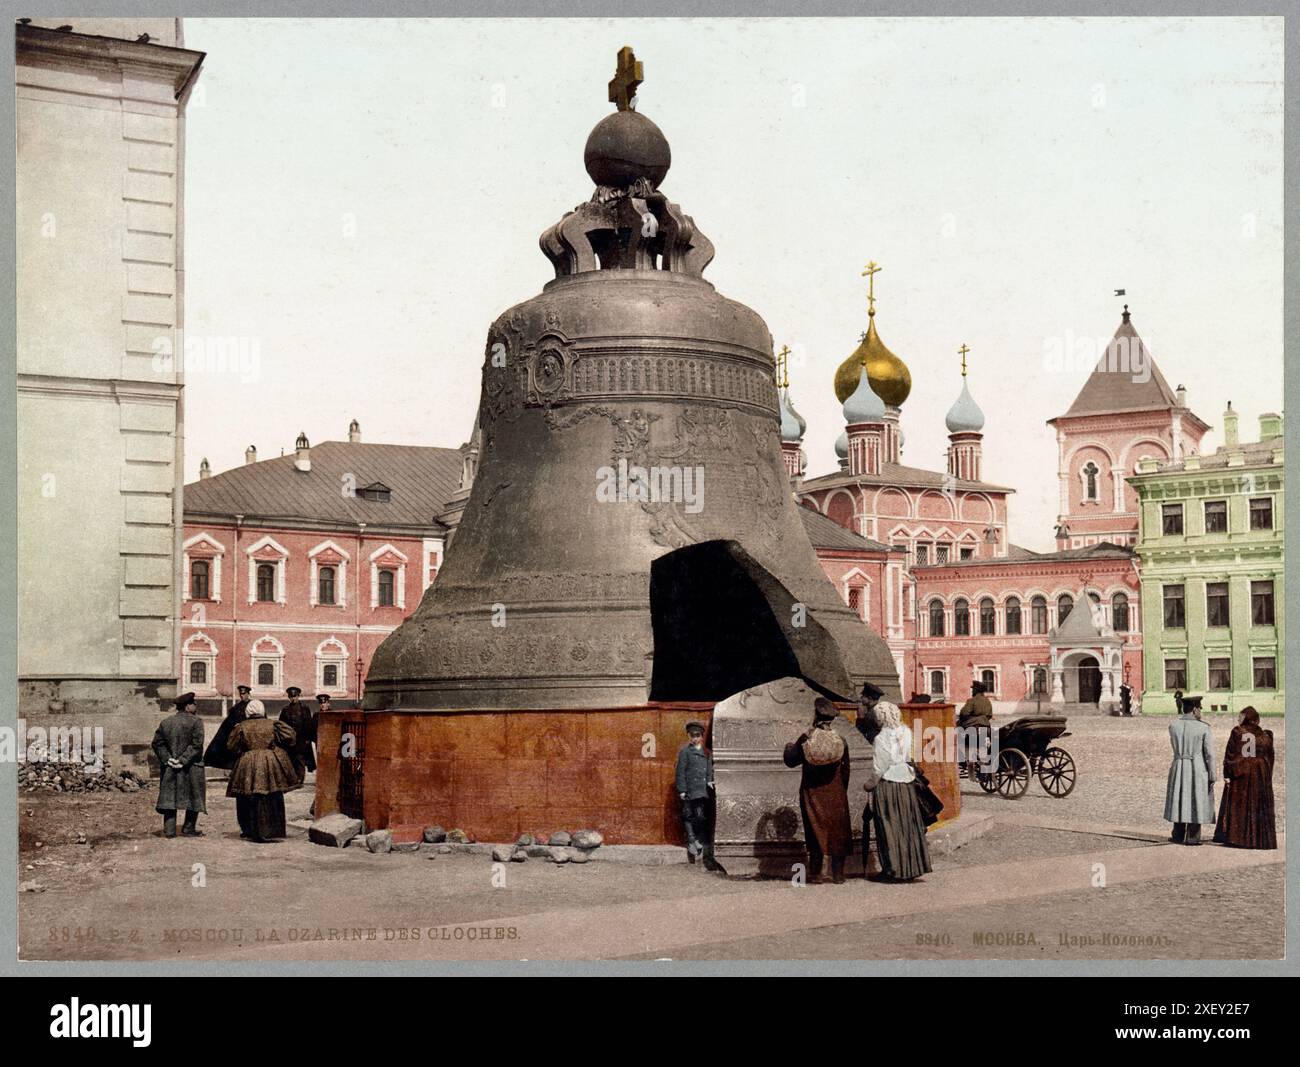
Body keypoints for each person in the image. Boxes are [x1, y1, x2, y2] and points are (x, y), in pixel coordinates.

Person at [783, 697, 852, 884]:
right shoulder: (841, 740)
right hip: (836, 792)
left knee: (814, 829)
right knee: (837, 831)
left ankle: (815, 874)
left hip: (812, 792)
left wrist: (788, 747)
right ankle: (838, 875)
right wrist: (841, 790)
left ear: (815, 715)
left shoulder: (807, 738)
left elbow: (790, 760)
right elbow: (846, 771)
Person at [866, 700, 932, 881]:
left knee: (889, 826)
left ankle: (892, 870)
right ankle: (911, 867)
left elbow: (880, 767)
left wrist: (869, 785)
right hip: (906, 782)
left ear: (881, 717)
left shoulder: (881, 738)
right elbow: (910, 756)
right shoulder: (906, 731)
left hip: (888, 784)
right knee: (907, 826)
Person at [225, 699, 302, 842]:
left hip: (248, 762)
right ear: (262, 710)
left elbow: (231, 746)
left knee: (246, 795)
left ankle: (249, 830)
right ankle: (272, 830)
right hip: (269, 761)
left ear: (248, 711)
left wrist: (244, 749)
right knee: (272, 793)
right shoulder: (272, 724)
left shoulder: (241, 726)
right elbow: (290, 735)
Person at [1213, 706, 1277, 850]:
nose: (1238, 719)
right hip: (1259, 774)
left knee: (1240, 806)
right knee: (1257, 806)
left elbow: (1230, 754)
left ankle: (1239, 838)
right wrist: (1266, 774)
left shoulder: (1237, 732)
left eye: (1240, 717)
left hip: (1241, 771)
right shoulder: (1266, 736)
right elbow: (1270, 756)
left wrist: (1227, 773)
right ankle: (1258, 839)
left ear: (1247, 718)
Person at [151, 692, 207, 838]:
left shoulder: (166, 722)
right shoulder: (196, 722)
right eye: (194, 703)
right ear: (187, 706)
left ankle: (169, 830)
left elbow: (157, 743)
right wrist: (182, 760)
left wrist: (169, 759)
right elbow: (197, 745)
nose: (196, 705)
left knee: (170, 796)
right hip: (192, 766)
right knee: (194, 796)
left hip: (170, 766)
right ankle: (188, 828)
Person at [1164, 694, 1216, 845]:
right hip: (1197, 766)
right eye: (1199, 708)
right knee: (1196, 799)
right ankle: (1193, 837)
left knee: (1180, 798)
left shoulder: (1174, 726)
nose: (1200, 711)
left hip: (1178, 765)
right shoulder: (1203, 727)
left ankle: (1178, 834)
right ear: (1194, 710)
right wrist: (1212, 774)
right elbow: (1210, 754)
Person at [674, 720, 718, 868]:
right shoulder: (685, 752)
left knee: (699, 815)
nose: (695, 738)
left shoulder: (707, 753)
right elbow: (680, 772)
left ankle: (696, 840)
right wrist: (682, 790)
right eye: (692, 736)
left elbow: (709, 769)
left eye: (698, 735)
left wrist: (710, 781)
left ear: (702, 736)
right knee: (688, 814)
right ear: (689, 736)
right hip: (689, 789)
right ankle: (691, 840)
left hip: (701, 790)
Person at [202, 684, 252, 770]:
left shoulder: (253, 705)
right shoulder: (237, 706)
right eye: (241, 694)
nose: (242, 696)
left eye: (244, 694)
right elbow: (231, 719)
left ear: (248, 694)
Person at [956, 680, 994, 774]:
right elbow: (989, 715)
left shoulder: (972, 701)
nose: (972, 691)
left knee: (958, 735)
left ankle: (963, 760)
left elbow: (963, 713)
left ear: (976, 690)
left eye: (973, 689)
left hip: (973, 729)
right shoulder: (987, 701)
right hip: (986, 729)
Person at [278, 686, 316, 775]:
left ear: (298, 696)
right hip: (290, 739)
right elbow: (281, 725)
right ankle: (293, 778)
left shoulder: (304, 708)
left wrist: (308, 739)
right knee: (291, 758)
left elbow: (308, 724)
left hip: (301, 739)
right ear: (289, 697)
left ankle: (300, 778)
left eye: (295, 696)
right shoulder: (285, 710)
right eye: (291, 697)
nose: (293, 698)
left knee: (300, 759)